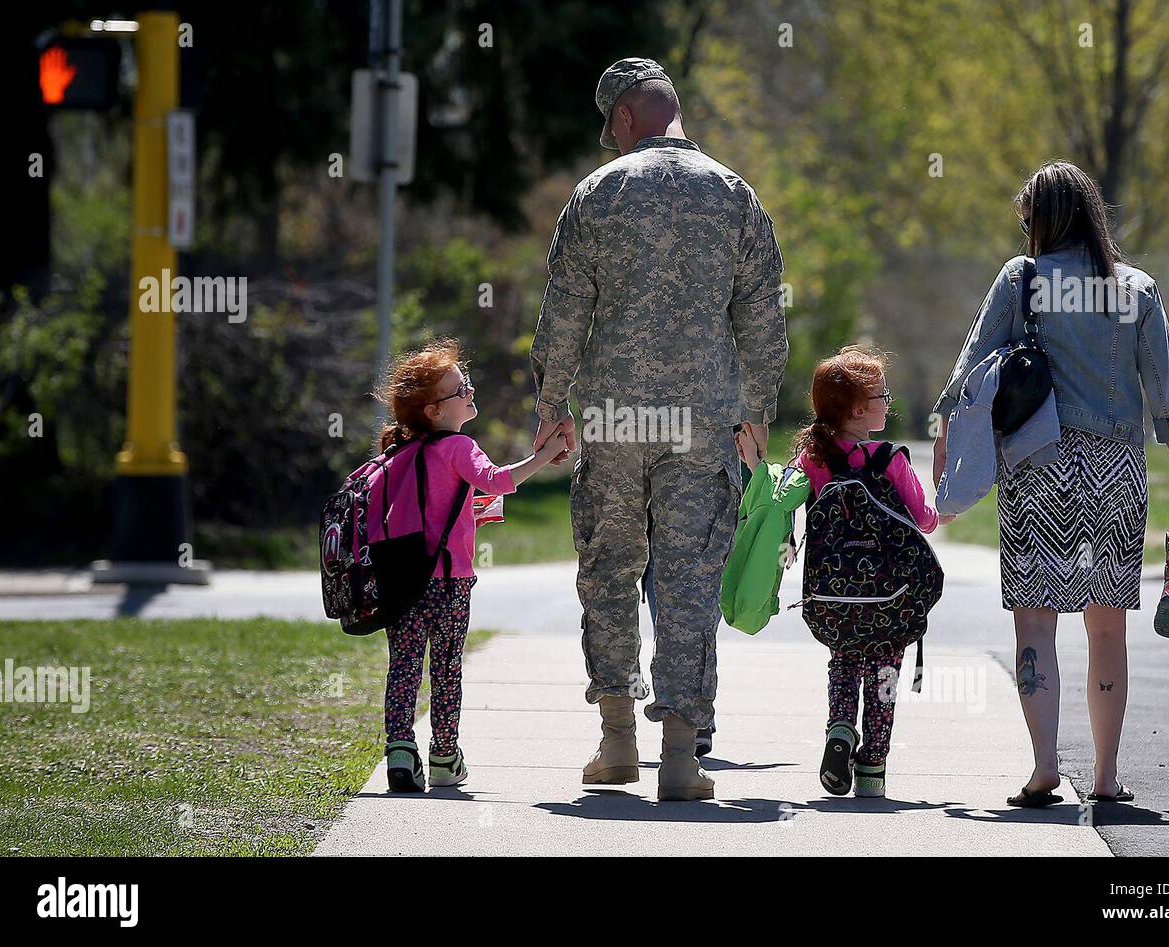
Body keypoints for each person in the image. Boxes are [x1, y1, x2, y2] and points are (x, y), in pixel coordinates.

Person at [530, 57, 788, 801]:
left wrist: (552, 410)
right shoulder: (735, 195)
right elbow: (765, 323)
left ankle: (616, 741)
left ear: (621, 119)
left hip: (612, 415)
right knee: (687, 579)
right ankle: (680, 755)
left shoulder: (597, 193)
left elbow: (564, 316)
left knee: (609, 568)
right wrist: (755, 416)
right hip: (701, 420)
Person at [930, 160, 1169, 806]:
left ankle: (1045, 764)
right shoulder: (1135, 288)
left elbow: (970, 369)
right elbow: (1167, 397)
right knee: (1107, 628)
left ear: (1041, 218)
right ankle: (1107, 775)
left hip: (1038, 463)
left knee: (1036, 623)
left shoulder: (1020, 278)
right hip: (1115, 468)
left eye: (1027, 218)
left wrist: (944, 438)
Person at [375, 340, 567, 792]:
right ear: (434, 412)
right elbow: (497, 480)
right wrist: (543, 457)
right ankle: (444, 755)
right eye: (460, 388)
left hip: (400, 579)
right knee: (446, 667)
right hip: (449, 582)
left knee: (403, 666)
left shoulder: (399, 453)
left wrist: (469, 513)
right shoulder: (459, 446)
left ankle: (400, 751)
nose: (469, 391)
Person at [765, 345, 946, 797]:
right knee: (884, 674)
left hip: (832, 597)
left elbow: (781, 501)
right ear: (860, 409)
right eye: (883, 395)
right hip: (890, 601)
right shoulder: (889, 459)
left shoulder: (813, 458)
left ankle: (840, 732)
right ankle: (872, 771)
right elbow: (923, 519)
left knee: (844, 663)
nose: (890, 402)